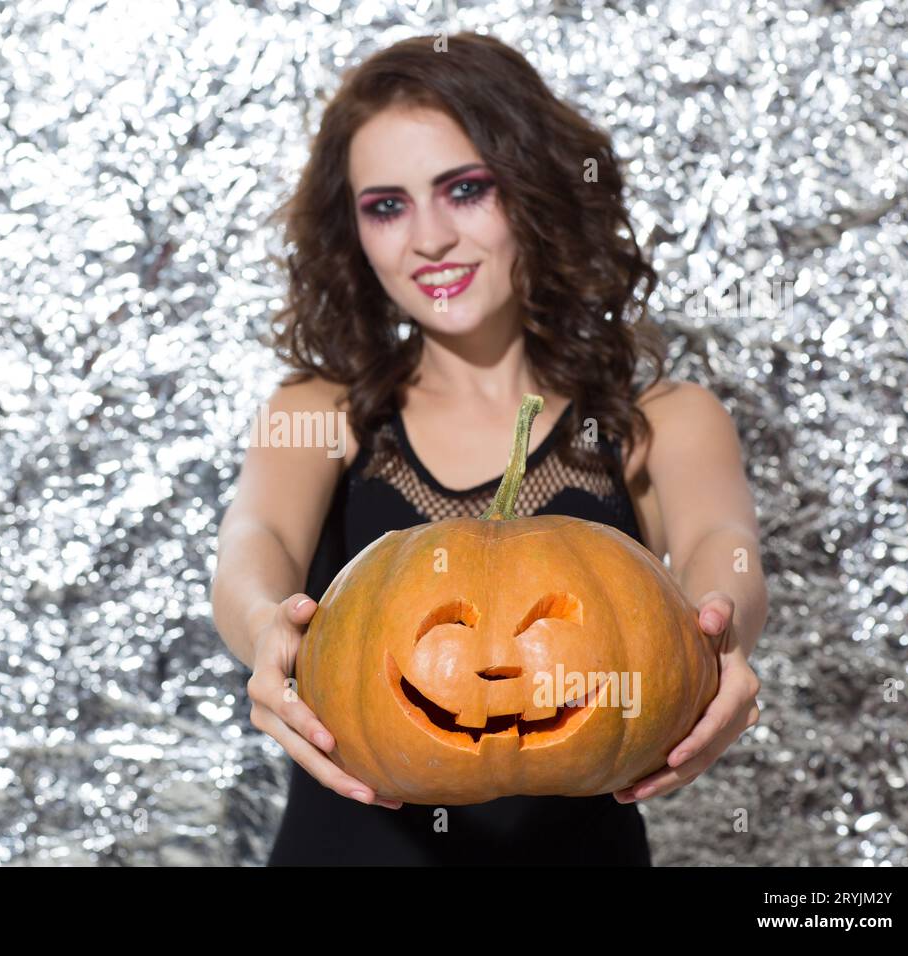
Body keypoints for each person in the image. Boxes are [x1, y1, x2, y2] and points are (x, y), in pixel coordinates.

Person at [210, 33, 768, 865]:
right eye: (386, 206)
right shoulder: (321, 411)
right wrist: (266, 629)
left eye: (465, 189)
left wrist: (722, 637)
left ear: (536, 191)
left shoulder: (662, 418)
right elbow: (257, 544)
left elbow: (720, 548)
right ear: (353, 232)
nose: (428, 238)